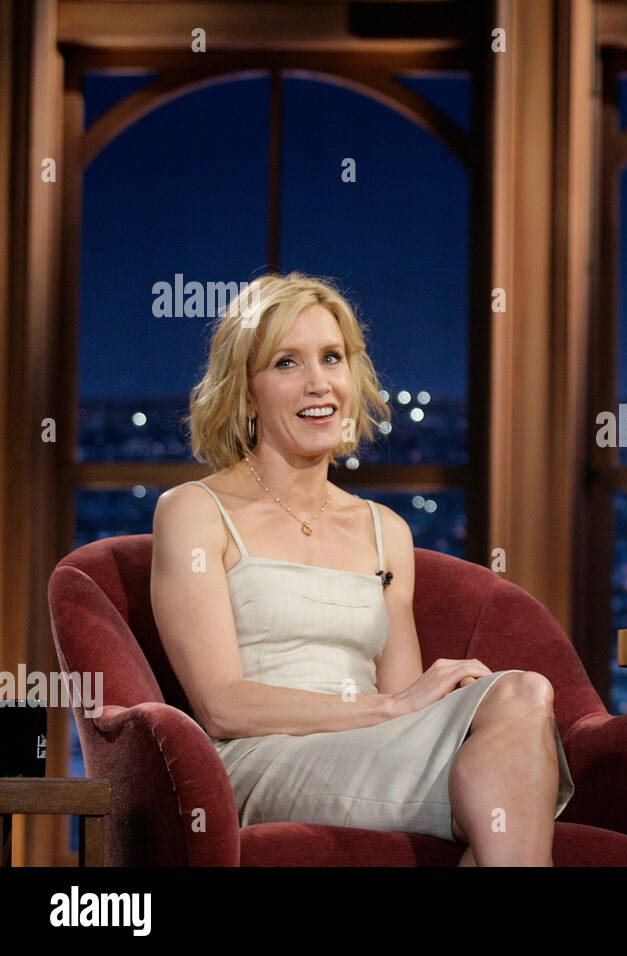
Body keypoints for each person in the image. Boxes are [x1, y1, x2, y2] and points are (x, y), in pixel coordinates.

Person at [151, 272, 573, 866]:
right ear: (245, 392)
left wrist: (434, 701)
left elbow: (404, 695)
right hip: (259, 758)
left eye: (332, 357)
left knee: (523, 696)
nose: (319, 383)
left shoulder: (385, 531)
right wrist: (386, 710)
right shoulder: (195, 512)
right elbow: (222, 705)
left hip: (376, 744)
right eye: (286, 363)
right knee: (499, 792)